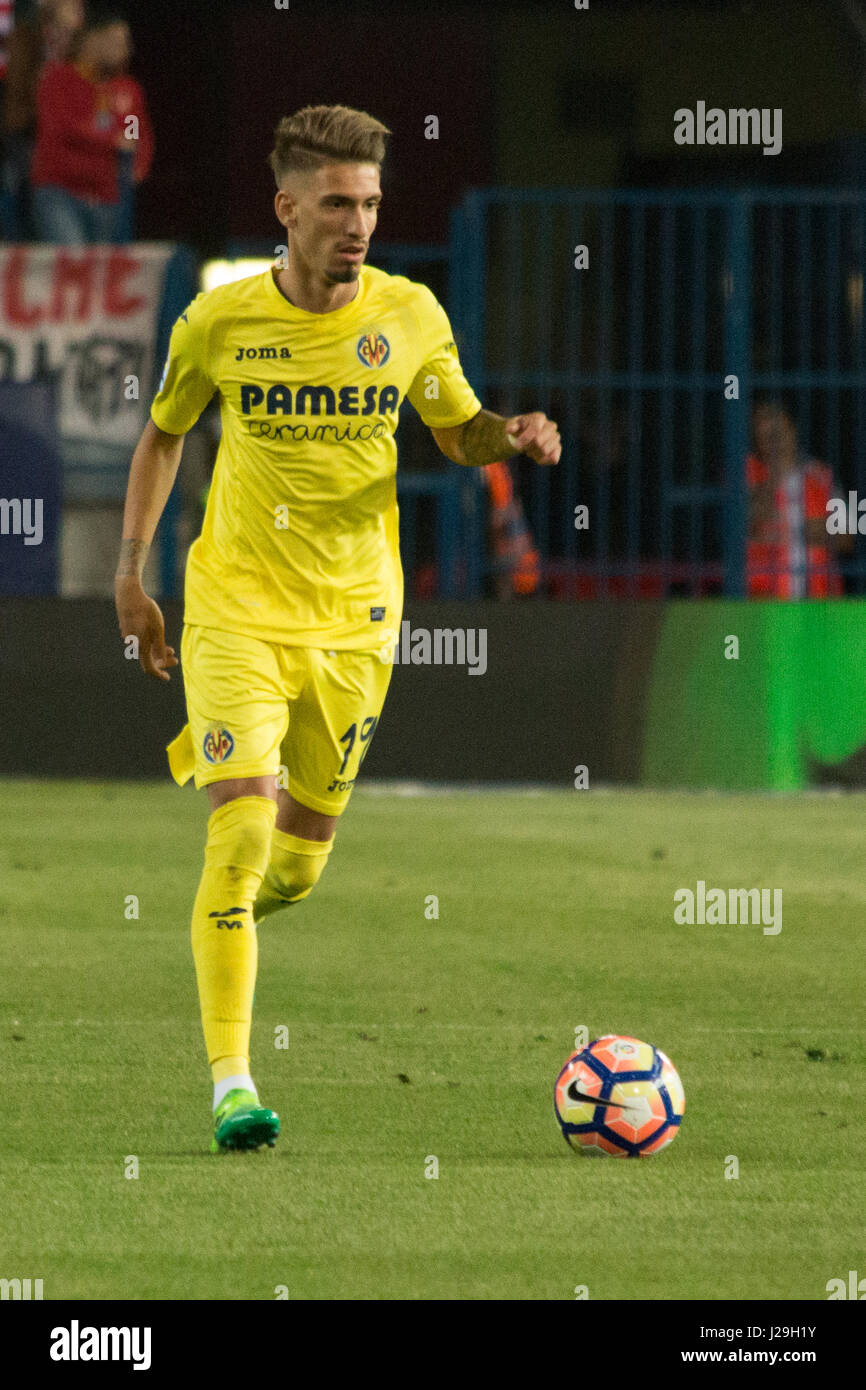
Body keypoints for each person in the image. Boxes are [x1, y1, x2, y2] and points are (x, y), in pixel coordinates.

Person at [113, 105, 561, 1154]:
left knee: (297, 870)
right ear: (286, 208)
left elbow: (457, 429)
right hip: (233, 606)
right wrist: (130, 578)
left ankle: (213, 932)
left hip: (358, 619)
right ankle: (232, 1083)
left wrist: (512, 434)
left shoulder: (408, 315)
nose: (356, 223)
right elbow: (163, 437)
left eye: (367, 203)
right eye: (334, 204)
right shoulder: (217, 322)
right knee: (238, 833)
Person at [30, 11, 152, 243]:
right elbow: (63, 127)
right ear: (93, 39)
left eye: (127, 42)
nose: (125, 48)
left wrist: (137, 163)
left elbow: (134, 130)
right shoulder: (57, 79)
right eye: (117, 41)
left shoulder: (127, 89)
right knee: (73, 268)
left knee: (103, 272)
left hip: (107, 198)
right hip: (62, 194)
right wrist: (109, 140)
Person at [0, 0, 85, 240]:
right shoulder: (26, 38)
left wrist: (136, 146)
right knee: (17, 189)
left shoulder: (83, 47)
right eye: (72, 6)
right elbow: (17, 91)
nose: (79, 10)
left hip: (76, 149)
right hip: (26, 132)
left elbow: (131, 120)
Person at [746, 398, 846, 598]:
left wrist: (806, 529)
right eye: (767, 434)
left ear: (793, 429)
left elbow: (846, 538)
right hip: (762, 602)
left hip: (819, 601)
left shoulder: (821, 475)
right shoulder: (747, 473)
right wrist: (776, 473)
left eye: (779, 431)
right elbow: (745, 523)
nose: (775, 440)